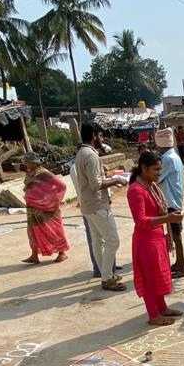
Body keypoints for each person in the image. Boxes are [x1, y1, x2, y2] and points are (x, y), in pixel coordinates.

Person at [127, 151, 184, 326]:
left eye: (161, 169)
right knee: (150, 279)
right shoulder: (136, 190)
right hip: (146, 242)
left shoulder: (150, 187)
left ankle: (162, 308)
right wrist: (167, 219)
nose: (159, 173)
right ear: (144, 168)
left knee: (158, 276)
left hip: (158, 239)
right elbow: (140, 221)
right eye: (156, 169)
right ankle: (154, 315)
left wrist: (167, 217)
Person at [76, 122, 128, 291]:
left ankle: (105, 274)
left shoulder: (81, 153)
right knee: (113, 241)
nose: (102, 138)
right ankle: (106, 278)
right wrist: (117, 180)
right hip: (97, 205)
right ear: (94, 135)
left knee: (98, 242)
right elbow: (96, 184)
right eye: (101, 135)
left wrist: (109, 178)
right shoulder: (91, 155)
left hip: (88, 204)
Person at [21, 152, 70, 265]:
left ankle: (62, 253)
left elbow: (61, 186)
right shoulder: (30, 172)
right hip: (32, 207)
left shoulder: (44, 173)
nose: (25, 164)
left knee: (53, 230)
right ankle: (34, 255)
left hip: (45, 208)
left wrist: (51, 200)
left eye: (26, 162)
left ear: (34, 162)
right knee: (33, 231)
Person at [155, 127, 184, 279]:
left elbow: (156, 178)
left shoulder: (167, 159)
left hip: (171, 202)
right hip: (174, 200)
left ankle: (183, 266)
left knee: (176, 235)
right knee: (174, 235)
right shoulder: (173, 156)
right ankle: (179, 262)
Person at [68, 159, 101, 278]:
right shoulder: (80, 167)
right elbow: (94, 186)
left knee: (98, 238)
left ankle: (106, 265)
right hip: (92, 205)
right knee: (96, 238)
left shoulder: (77, 167)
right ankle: (99, 267)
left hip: (90, 205)